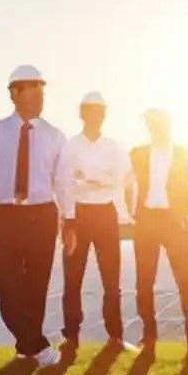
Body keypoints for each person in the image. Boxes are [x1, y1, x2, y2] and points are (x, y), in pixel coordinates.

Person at [0, 64, 68, 367]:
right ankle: (36, 345)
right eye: (33, 92)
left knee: (37, 288)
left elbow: (63, 182)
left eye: (42, 93)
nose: (39, 98)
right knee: (9, 290)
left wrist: (69, 220)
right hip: (6, 217)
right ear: (14, 94)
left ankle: (27, 349)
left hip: (43, 216)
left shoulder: (54, 135)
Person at [56, 91, 135, 353]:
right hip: (76, 216)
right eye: (89, 111)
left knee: (111, 279)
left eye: (98, 112)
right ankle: (71, 337)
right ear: (81, 114)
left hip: (105, 214)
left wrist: (88, 178)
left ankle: (115, 336)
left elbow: (119, 179)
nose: (94, 117)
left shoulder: (114, 147)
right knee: (73, 279)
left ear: (104, 115)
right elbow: (65, 182)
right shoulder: (70, 146)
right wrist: (67, 220)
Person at [130, 108, 188, 354]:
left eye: (161, 124)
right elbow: (125, 184)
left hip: (176, 223)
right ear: (149, 127)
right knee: (144, 281)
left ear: (169, 125)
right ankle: (148, 337)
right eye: (153, 124)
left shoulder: (185, 154)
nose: (158, 128)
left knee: (186, 280)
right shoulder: (137, 154)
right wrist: (132, 214)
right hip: (146, 221)